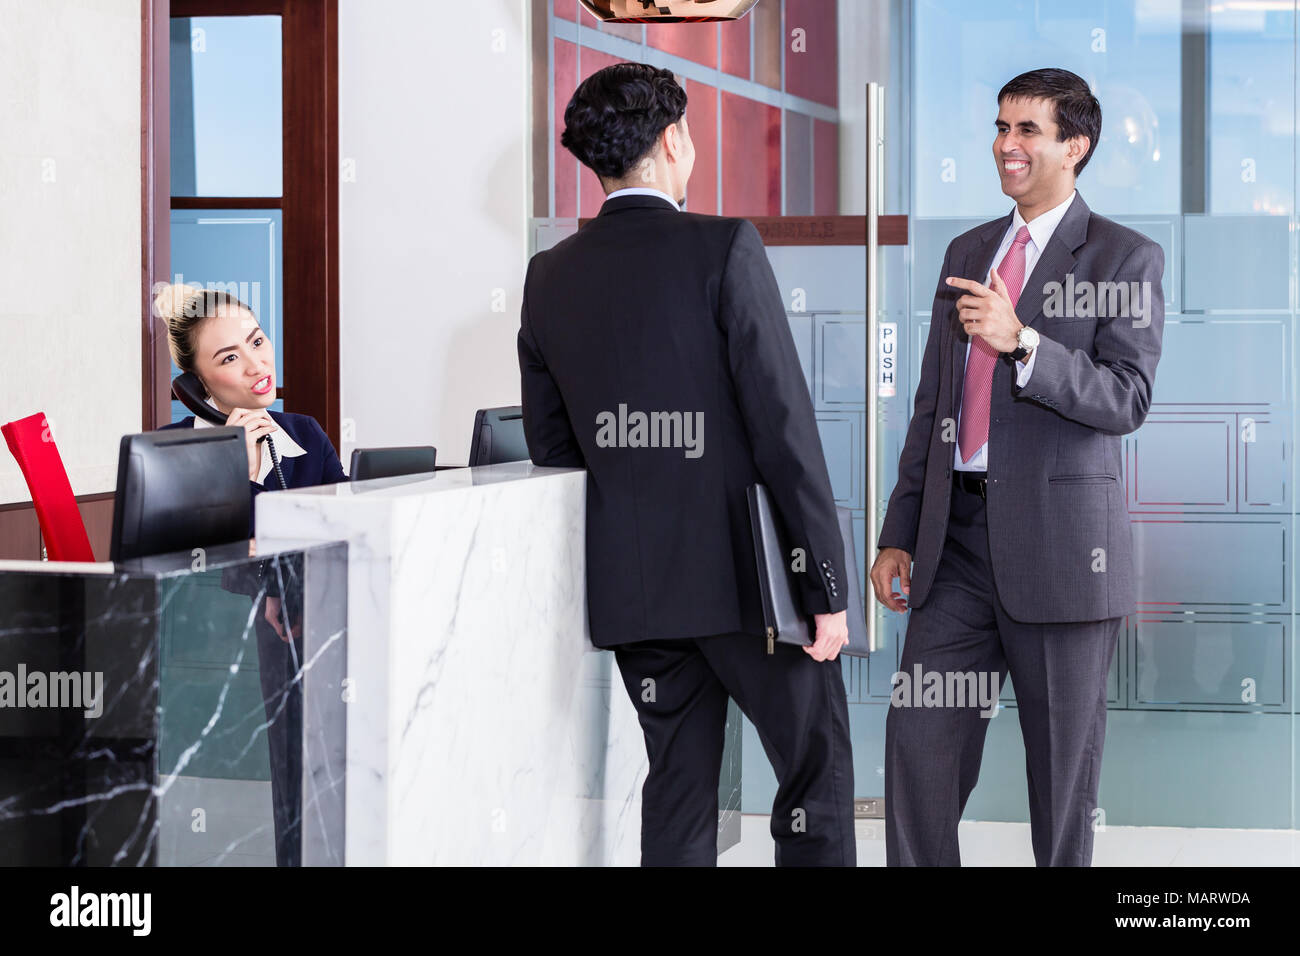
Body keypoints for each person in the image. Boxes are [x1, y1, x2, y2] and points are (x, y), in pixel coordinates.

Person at [517, 62, 855, 866]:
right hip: (753, 588)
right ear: (673, 140)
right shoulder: (724, 245)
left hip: (639, 593)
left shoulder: (548, 276)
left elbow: (554, 451)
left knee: (675, 784)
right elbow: (783, 429)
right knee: (815, 775)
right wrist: (825, 586)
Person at [870, 68, 1165, 866]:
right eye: (1001, 127)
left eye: (1028, 130)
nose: (1006, 145)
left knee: (1062, 784)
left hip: (1064, 553)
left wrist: (1026, 343)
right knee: (917, 754)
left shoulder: (1125, 257)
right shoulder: (969, 250)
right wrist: (900, 531)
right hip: (955, 545)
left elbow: (1126, 397)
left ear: (1077, 145)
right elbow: (933, 407)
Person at [154, 282, 346, 865]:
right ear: (195, 387)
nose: (257, 365)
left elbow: (337, 534)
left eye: (256, 342)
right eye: (229, 358)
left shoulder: (306, 436)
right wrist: (241, 467)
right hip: (216, 673)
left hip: (318, 648)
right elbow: (190, 569)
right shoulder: (171, 452)